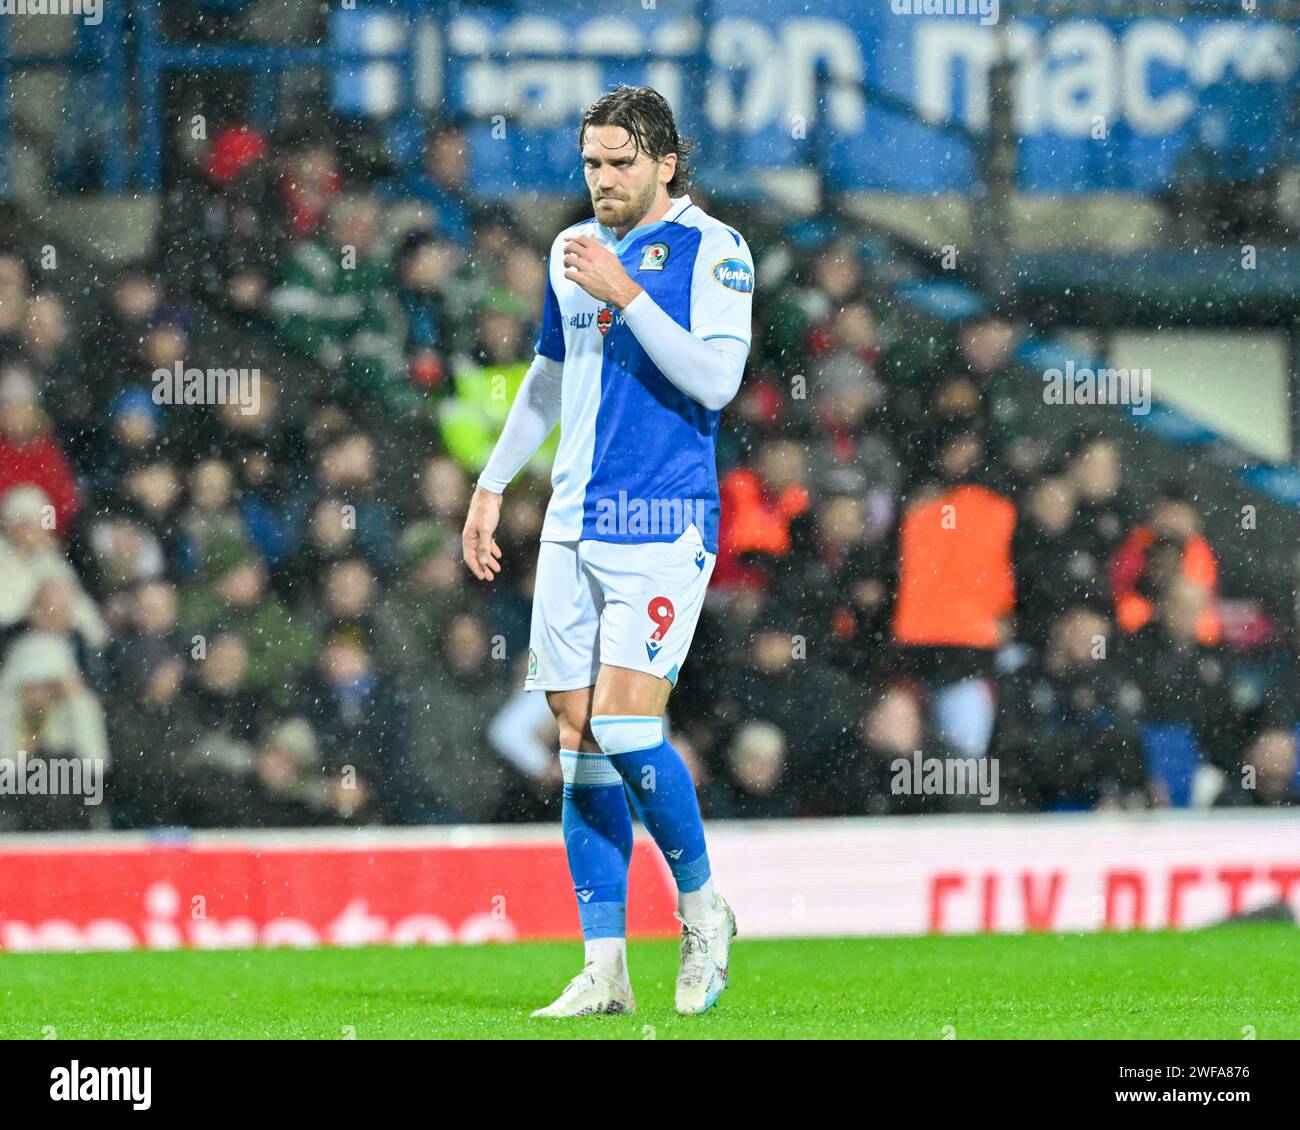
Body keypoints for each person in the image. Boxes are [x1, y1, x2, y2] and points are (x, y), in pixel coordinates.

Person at [461, 85, 751, 1018]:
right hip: (571, 525)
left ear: (667, 161)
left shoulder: (716, 249)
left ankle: (703, 907)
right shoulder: (568, 250)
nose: (603, 179)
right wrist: (493, 484)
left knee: (628, 728)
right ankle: (605, 968)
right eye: (591, 162)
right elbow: (547, 377)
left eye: (621, 161)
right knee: (579, 742)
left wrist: (626, 292)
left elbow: (717, 378)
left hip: (662, 523)